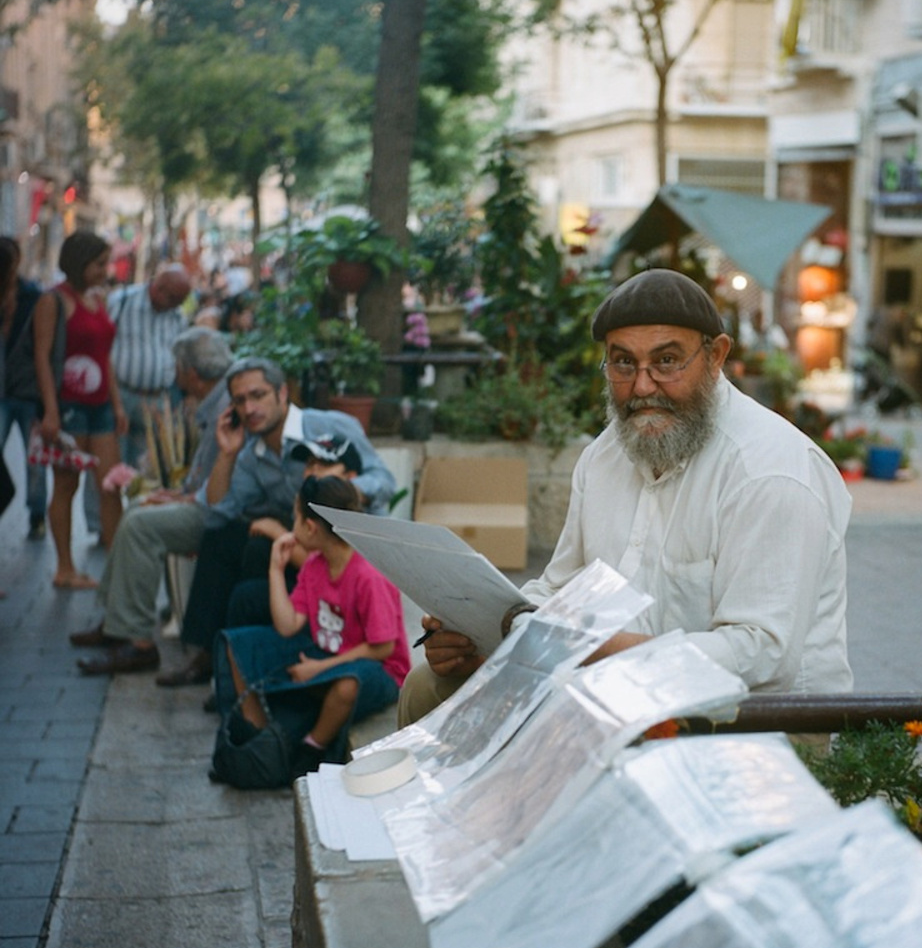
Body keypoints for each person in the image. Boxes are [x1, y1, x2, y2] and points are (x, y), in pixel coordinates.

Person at [397, 268, 853, 727]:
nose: (642, 386)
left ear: (715, 357)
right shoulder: (605, 456)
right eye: (623, 363)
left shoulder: (768, 472)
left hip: (744, 720)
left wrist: (595, 651)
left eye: (667, 361)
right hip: (612, 691)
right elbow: (561, 589)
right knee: (429, 689)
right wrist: (481, 627)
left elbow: (763, 658)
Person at [157, 355, 397, 688]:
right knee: (222, 536)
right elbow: (216, 511)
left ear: (282, 394)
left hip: (347, 545)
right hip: (306, 541)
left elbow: (385, 481)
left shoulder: (330, 426)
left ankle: (251, 669)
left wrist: (333, 492)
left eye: (258, 396)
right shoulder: (252, 454)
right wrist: (226, 453)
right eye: (240, 400)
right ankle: (211, 656)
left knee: (256, 558)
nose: (249, 408)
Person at [209, 475, 410, 789]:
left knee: (345, 686)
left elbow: (383, 648)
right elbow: (287, 625)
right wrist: (276, 568)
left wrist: (320, 667)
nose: (292, 524)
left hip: (376, 669)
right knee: (237, 644)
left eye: (296, 516)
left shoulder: (368, 573)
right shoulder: (316, 564)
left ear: (311, 527)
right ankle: (262, 737)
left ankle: (310, 749)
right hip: (326, 652)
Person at [70, 328, 234, 675]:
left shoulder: (223, 402)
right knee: (136, 515)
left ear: (191, 373)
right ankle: (118, 623)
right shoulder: (215, 399)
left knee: (141, 526)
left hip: (219, 511)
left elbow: (218, 486)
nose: (173, 372)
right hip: (207, 500)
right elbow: (206, 474)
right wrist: (177, 494)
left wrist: (183, 496)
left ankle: (137, 641)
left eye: (177, 366)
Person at [48, 230, 125, 588]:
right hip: (69, 407)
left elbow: (104, 358)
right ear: (80, 263)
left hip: (101, 407)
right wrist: (50, 411)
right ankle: (64, 568)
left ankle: (118, 565)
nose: (105, 270)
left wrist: (117, 403)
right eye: (99, 263)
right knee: (67, 485)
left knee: (110, 485)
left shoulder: (100, 299)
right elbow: (41, 358)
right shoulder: (55, 301)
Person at [0, 236, 60, 540]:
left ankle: (37, 514)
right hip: (3, 393)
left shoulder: (33, 297)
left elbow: (43, 350)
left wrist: (48, 405)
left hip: (26, 391)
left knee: (34, 459)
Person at [108, 264, 192, 472]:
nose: (175, 305)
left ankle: (134, 505)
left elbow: (179, 356)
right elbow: (103, 348)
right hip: (121, 393)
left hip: (156, 400)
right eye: (173, 298)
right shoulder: (123, 301)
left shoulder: (177, 316)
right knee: (111, 464)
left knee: (146, 470)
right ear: (158, 287)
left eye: (180, 301)